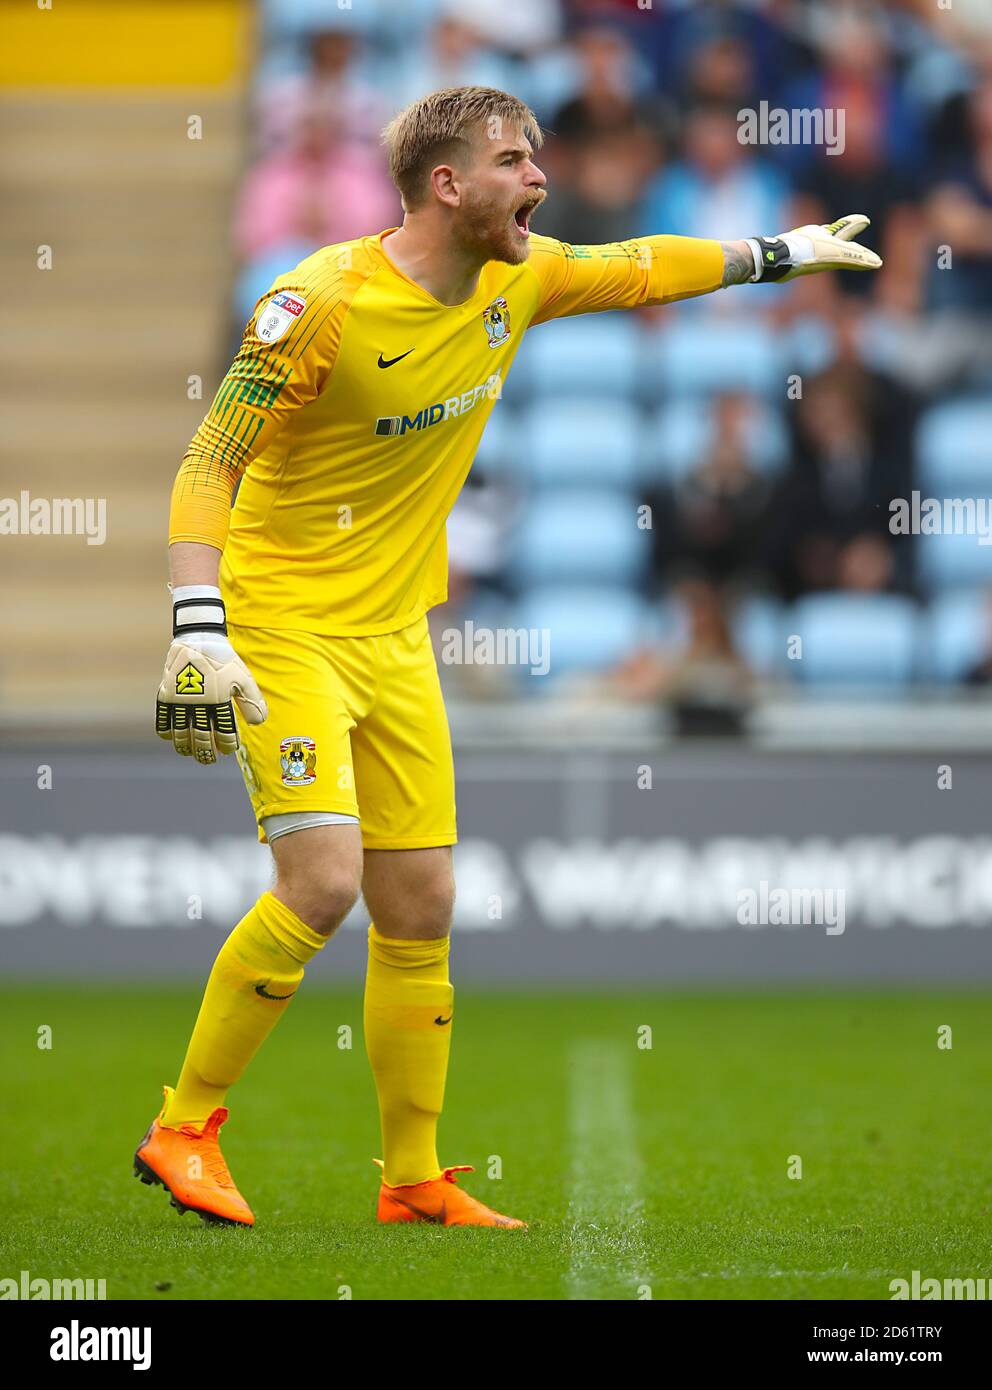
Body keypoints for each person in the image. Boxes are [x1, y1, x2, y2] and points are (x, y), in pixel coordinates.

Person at [138, 85, 881, 1230]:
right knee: (324, 881)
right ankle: (182, 1127)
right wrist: (198, 625)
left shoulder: (516, 281)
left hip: (393, 636)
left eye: (535, 158)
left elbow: (641, 265)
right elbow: (208, 458)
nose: (539, 178)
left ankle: (412, 1177)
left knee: (421, 901)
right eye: (513, 160)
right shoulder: (318, 299)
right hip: (282, 622)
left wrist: (776, 252)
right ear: (447, 183)